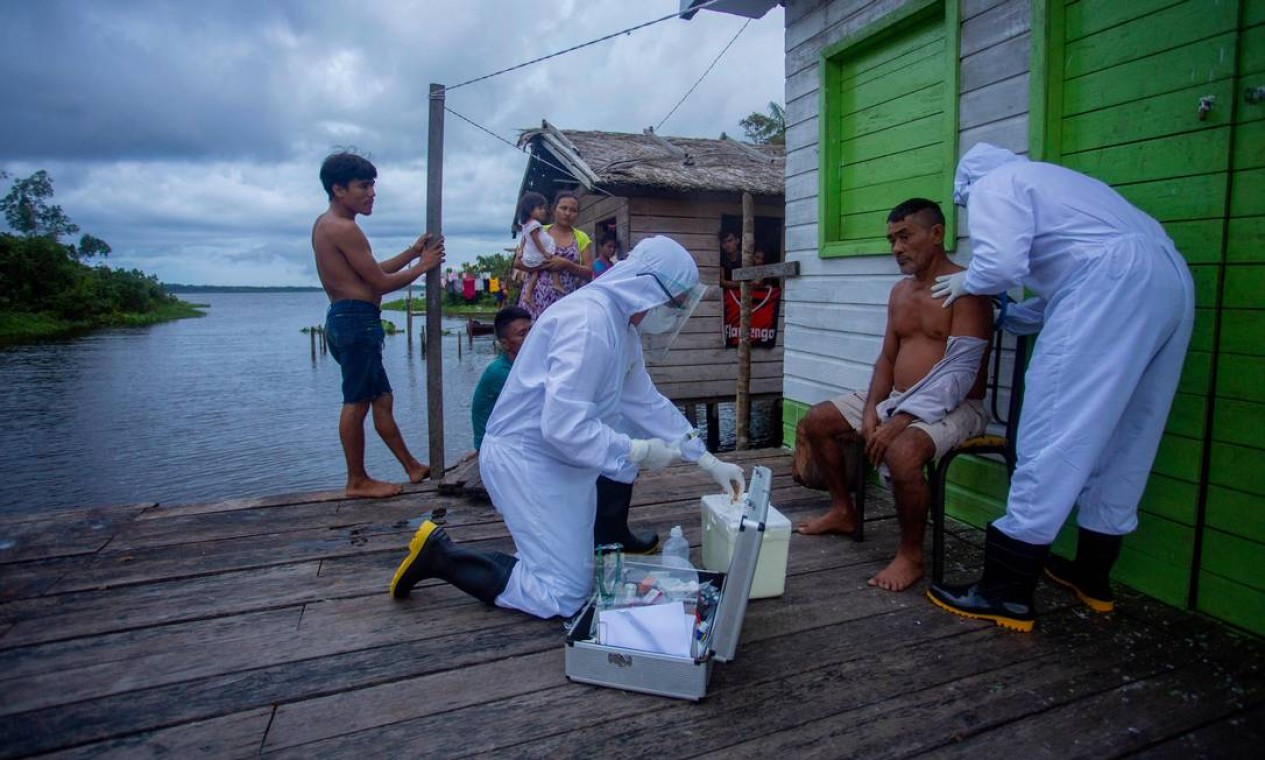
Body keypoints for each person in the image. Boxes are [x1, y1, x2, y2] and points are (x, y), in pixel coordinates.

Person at [389, 236, 746, 619]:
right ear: (646, 287)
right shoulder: (589, 323)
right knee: (566, 594)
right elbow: (563, 427)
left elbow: (647, 402)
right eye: (672, 305)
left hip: (565, 464)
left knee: (579, 571)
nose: (671, 315)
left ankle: (533, 558)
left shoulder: (621, 327)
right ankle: (439, 555)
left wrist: (706, 459)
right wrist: (638, 451)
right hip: (526, 461)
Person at [926, 143, 1196, 632]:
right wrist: (1017, 315)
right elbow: (1078, 286)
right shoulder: (1067, 187)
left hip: (1111, 282)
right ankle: (1092, 577)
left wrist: (969, 282)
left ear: (965, 188)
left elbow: (1003, 266)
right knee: (1131, 434)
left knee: (1051, 431)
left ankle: (1006, 593)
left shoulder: (995, 184)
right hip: (1170, 280)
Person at [794, 198, 992, 592]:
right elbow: (886, 359)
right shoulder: (900, 293)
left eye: (905, 236)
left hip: (957, 405)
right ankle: (843, 510)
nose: (897, 248)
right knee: (816, 421)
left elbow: (963, 376)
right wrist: (871, 410)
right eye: (891, 240)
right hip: (898, 399)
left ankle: (911, 555)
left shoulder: (968, 290)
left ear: (936, 234)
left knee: (903, 453)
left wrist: (899, 421)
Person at [312, 151, 445, 499]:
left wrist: (413, 254)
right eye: (363, 186)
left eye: (373, 185)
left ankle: (412, 467)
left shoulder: (328, 224)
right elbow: (381, 284)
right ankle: (356, 480)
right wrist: (424, 266)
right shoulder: (344, 228)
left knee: (381, 399)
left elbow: (371, 270)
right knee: (356, 401)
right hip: (355, 321)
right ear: (339, 189)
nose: (371, 193)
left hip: (352, 319)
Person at [515, 190, 593, 318]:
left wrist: (566, 264)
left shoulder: (581, 237)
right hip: (534, 301)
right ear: (554, 209)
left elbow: (589, 273)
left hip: (563, 304)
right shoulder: (537, 230)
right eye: (563, 208)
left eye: (573, 210)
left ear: (578, 214)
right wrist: (547, 264)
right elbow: (517, 263)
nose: (567, 213)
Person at [471, 306, 532, 451]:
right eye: (522, 334)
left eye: (532, 330)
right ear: (504, 343)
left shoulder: (524, 366)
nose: (530, 337)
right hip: (494, 447)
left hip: (511, 438)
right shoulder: (500, 372)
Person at [516, 192, 564, 302]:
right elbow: (536, 240)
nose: (544, 211)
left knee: (534, 273)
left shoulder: (526, 225)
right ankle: (556, 283)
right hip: (538, 253)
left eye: (544, 208)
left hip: (531, 254)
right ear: (529, 209)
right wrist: (544, 252)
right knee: (553, 264)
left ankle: (528, 294)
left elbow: (524, 239)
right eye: (540, 208)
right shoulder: (534, 224)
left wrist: (520, 252)